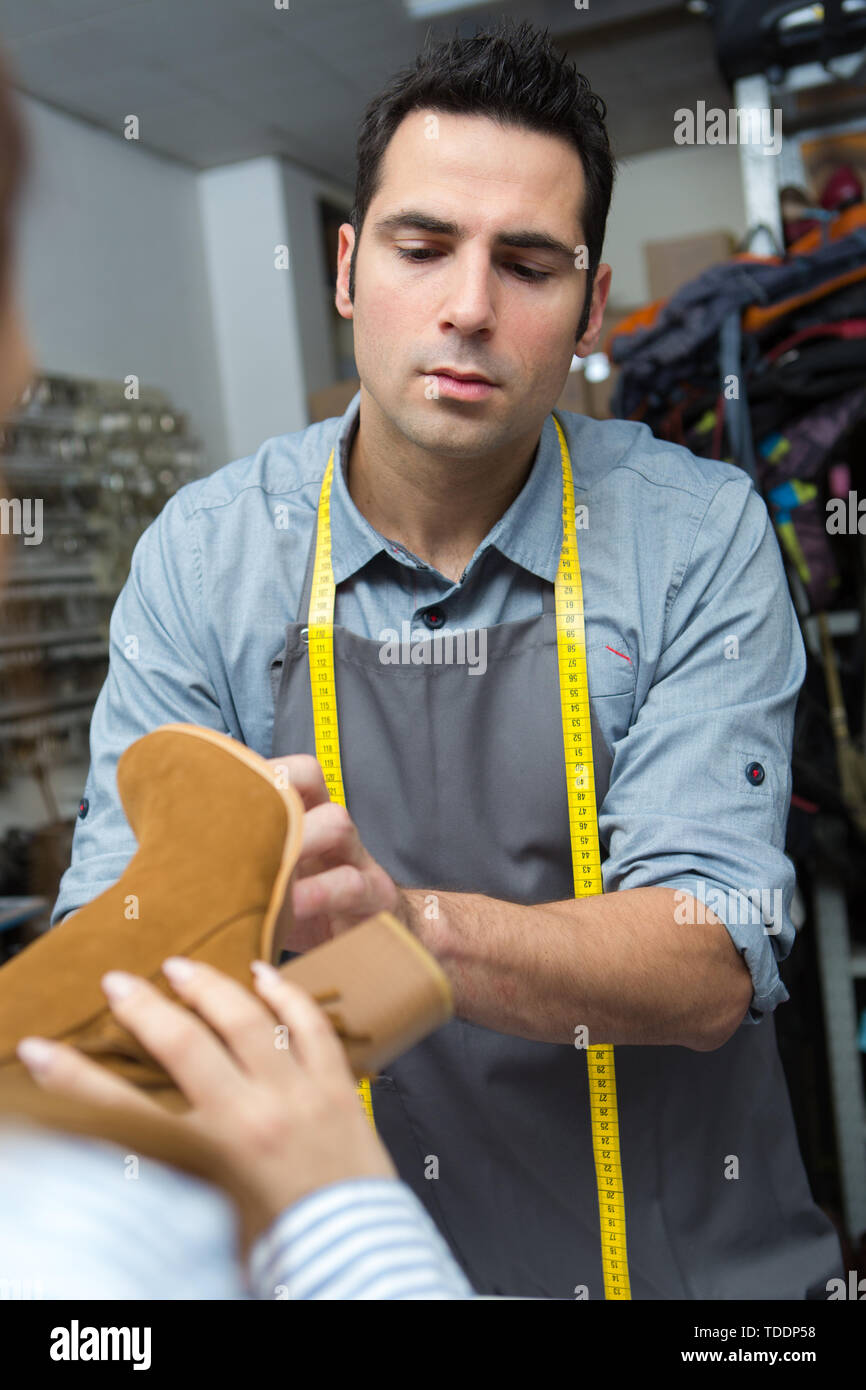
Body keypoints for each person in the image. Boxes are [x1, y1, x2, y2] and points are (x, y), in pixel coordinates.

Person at [20, 19, 847, 1298]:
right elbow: (122, 944)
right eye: (422, 248)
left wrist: (406, 930)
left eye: (526, 264)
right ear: (347, 269)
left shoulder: (696, 534)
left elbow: (708, 954)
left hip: (687, 1278)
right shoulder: (205, 555)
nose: (467, 307)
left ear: (585, 304)